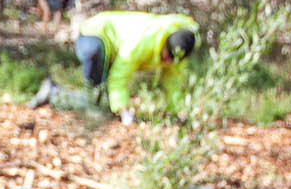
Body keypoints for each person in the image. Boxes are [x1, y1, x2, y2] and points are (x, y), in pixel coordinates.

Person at [30, 10, 198, 123]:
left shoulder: (180, 48)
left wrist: (178, 111)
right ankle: (53, 93)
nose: (168, 62)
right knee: (99, 105)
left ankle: (56, 93)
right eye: (167, 57)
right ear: (164, 45)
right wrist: (123, 111)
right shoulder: (142, 42)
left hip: (114, 49)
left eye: (173, 61)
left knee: (103, 105)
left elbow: (173, 82)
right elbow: (119, 76)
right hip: (95, 35)